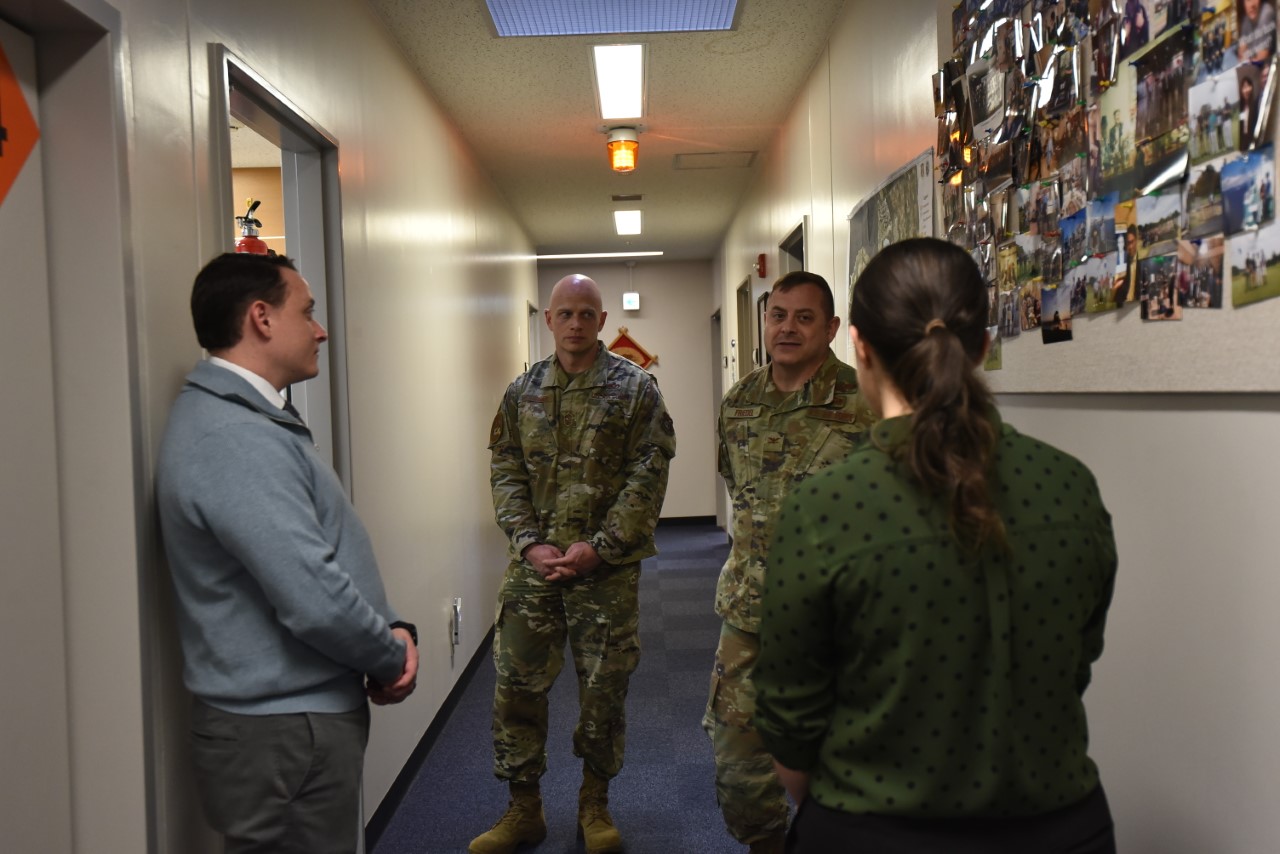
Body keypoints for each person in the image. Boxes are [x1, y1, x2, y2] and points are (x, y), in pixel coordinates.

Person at [752, 237, 1118, 854]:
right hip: (1062, 828)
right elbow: (1076, 662)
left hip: (872, 830)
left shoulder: (824, 507)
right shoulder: (1070, 485)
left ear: (858, 345)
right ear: (981, 346)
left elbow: (790, 719)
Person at [156, 253, 419, 854]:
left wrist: (392, 627)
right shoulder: (232, 437)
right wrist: (388, 655)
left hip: (289, 722)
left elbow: (322, 550)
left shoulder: (252, 419)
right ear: (262, 318)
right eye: (308, 312)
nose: (320, 330)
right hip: (283, 730)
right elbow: (313, 596)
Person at [473, 274, 676, 854]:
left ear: (602, 320)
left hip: (605, 572)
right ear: (549, 320)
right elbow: (505, 469)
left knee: (603, 692)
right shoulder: (521, 392)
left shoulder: (636, 389)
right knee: (516, 688)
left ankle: (594, 805)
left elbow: (648, 474)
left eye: (587, 313)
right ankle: (524, 809)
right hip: (534, 571)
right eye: (565, 313)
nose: (576, 323)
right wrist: (528, 543)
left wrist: (601, 546)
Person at [704, 271, 875, 853]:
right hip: (748, 613)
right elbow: (738, 488)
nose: (788, 328)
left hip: (838, 622)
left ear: (831, 328)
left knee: (845, 764)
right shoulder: (739, 403)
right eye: (778, 315)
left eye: (805, 317)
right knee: (738, 767)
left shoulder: (866, 403)